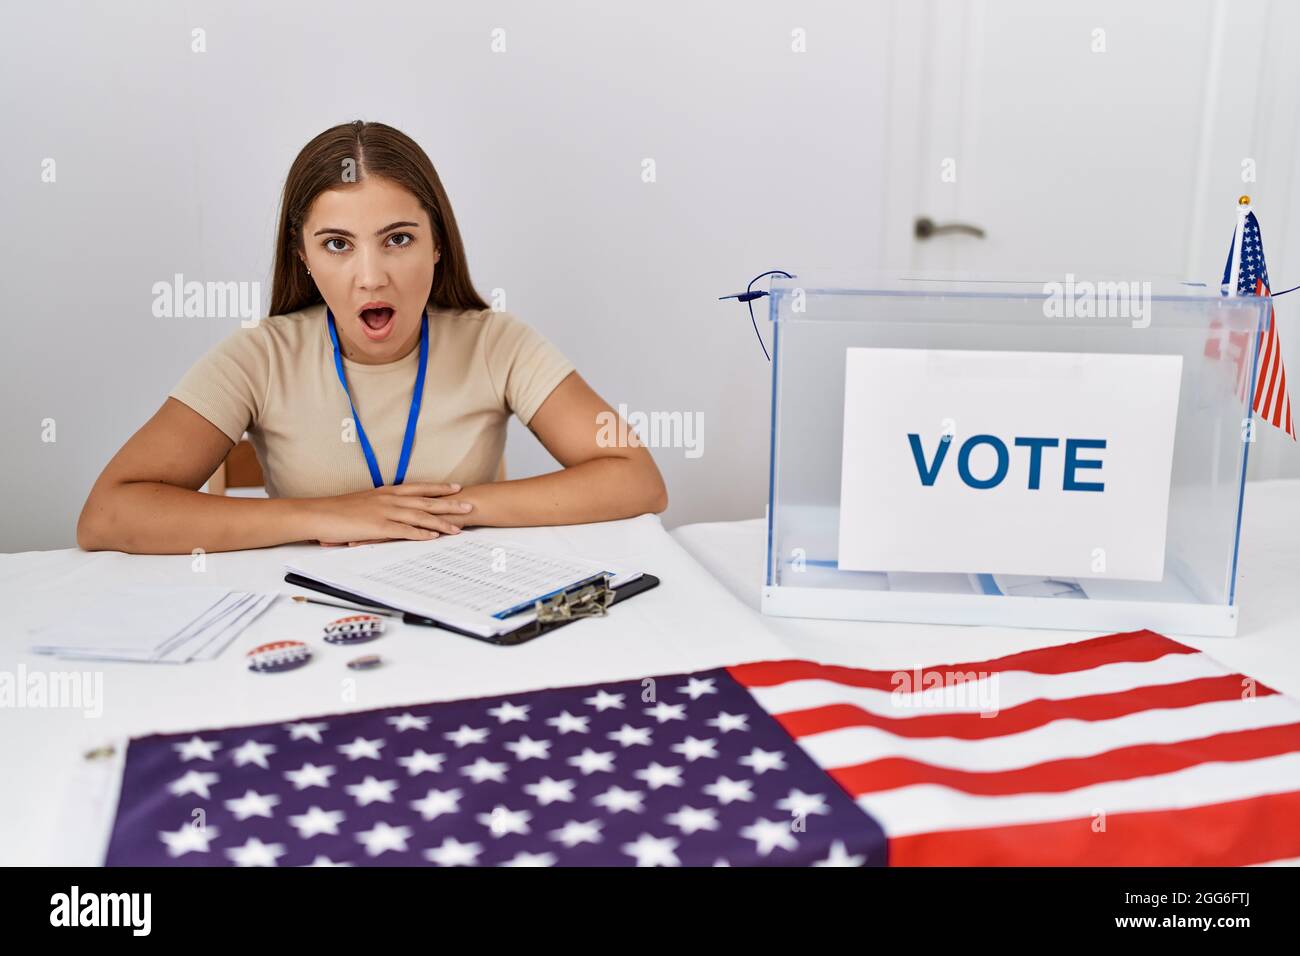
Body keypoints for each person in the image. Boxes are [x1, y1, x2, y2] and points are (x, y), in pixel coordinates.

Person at [77, 120, 667, 554]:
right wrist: (326, 517)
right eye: (337, 244)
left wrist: (441, 510)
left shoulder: (496, 342)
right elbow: (107, 513)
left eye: (399, 239)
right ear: (303, 257)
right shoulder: (258, 357)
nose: (370, 276)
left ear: (438, 244)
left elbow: (636, 477)